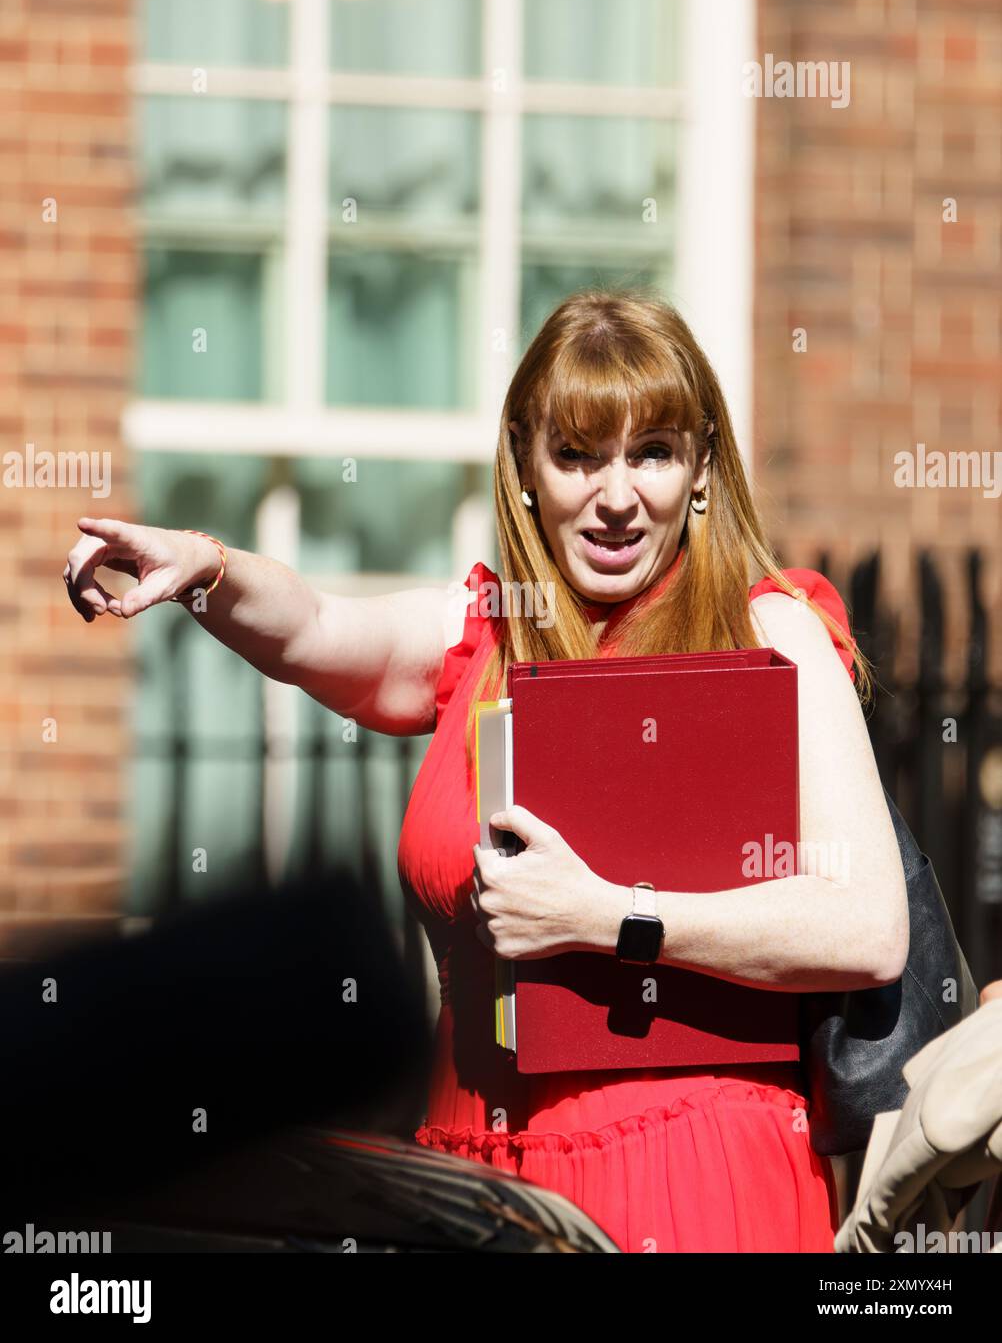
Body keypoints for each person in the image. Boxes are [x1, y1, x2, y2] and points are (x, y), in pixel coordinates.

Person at [63, 289, 910, 1253]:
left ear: (703, 467)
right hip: (473, 1191)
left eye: (653, 454)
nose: (617, 494)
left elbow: (866, 925)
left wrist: (605, 916)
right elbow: (314, 626)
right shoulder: (483, 632)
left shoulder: (769, 633)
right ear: (524, 469)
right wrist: (204, 563)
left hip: (694, 1174)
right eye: (579, 455)